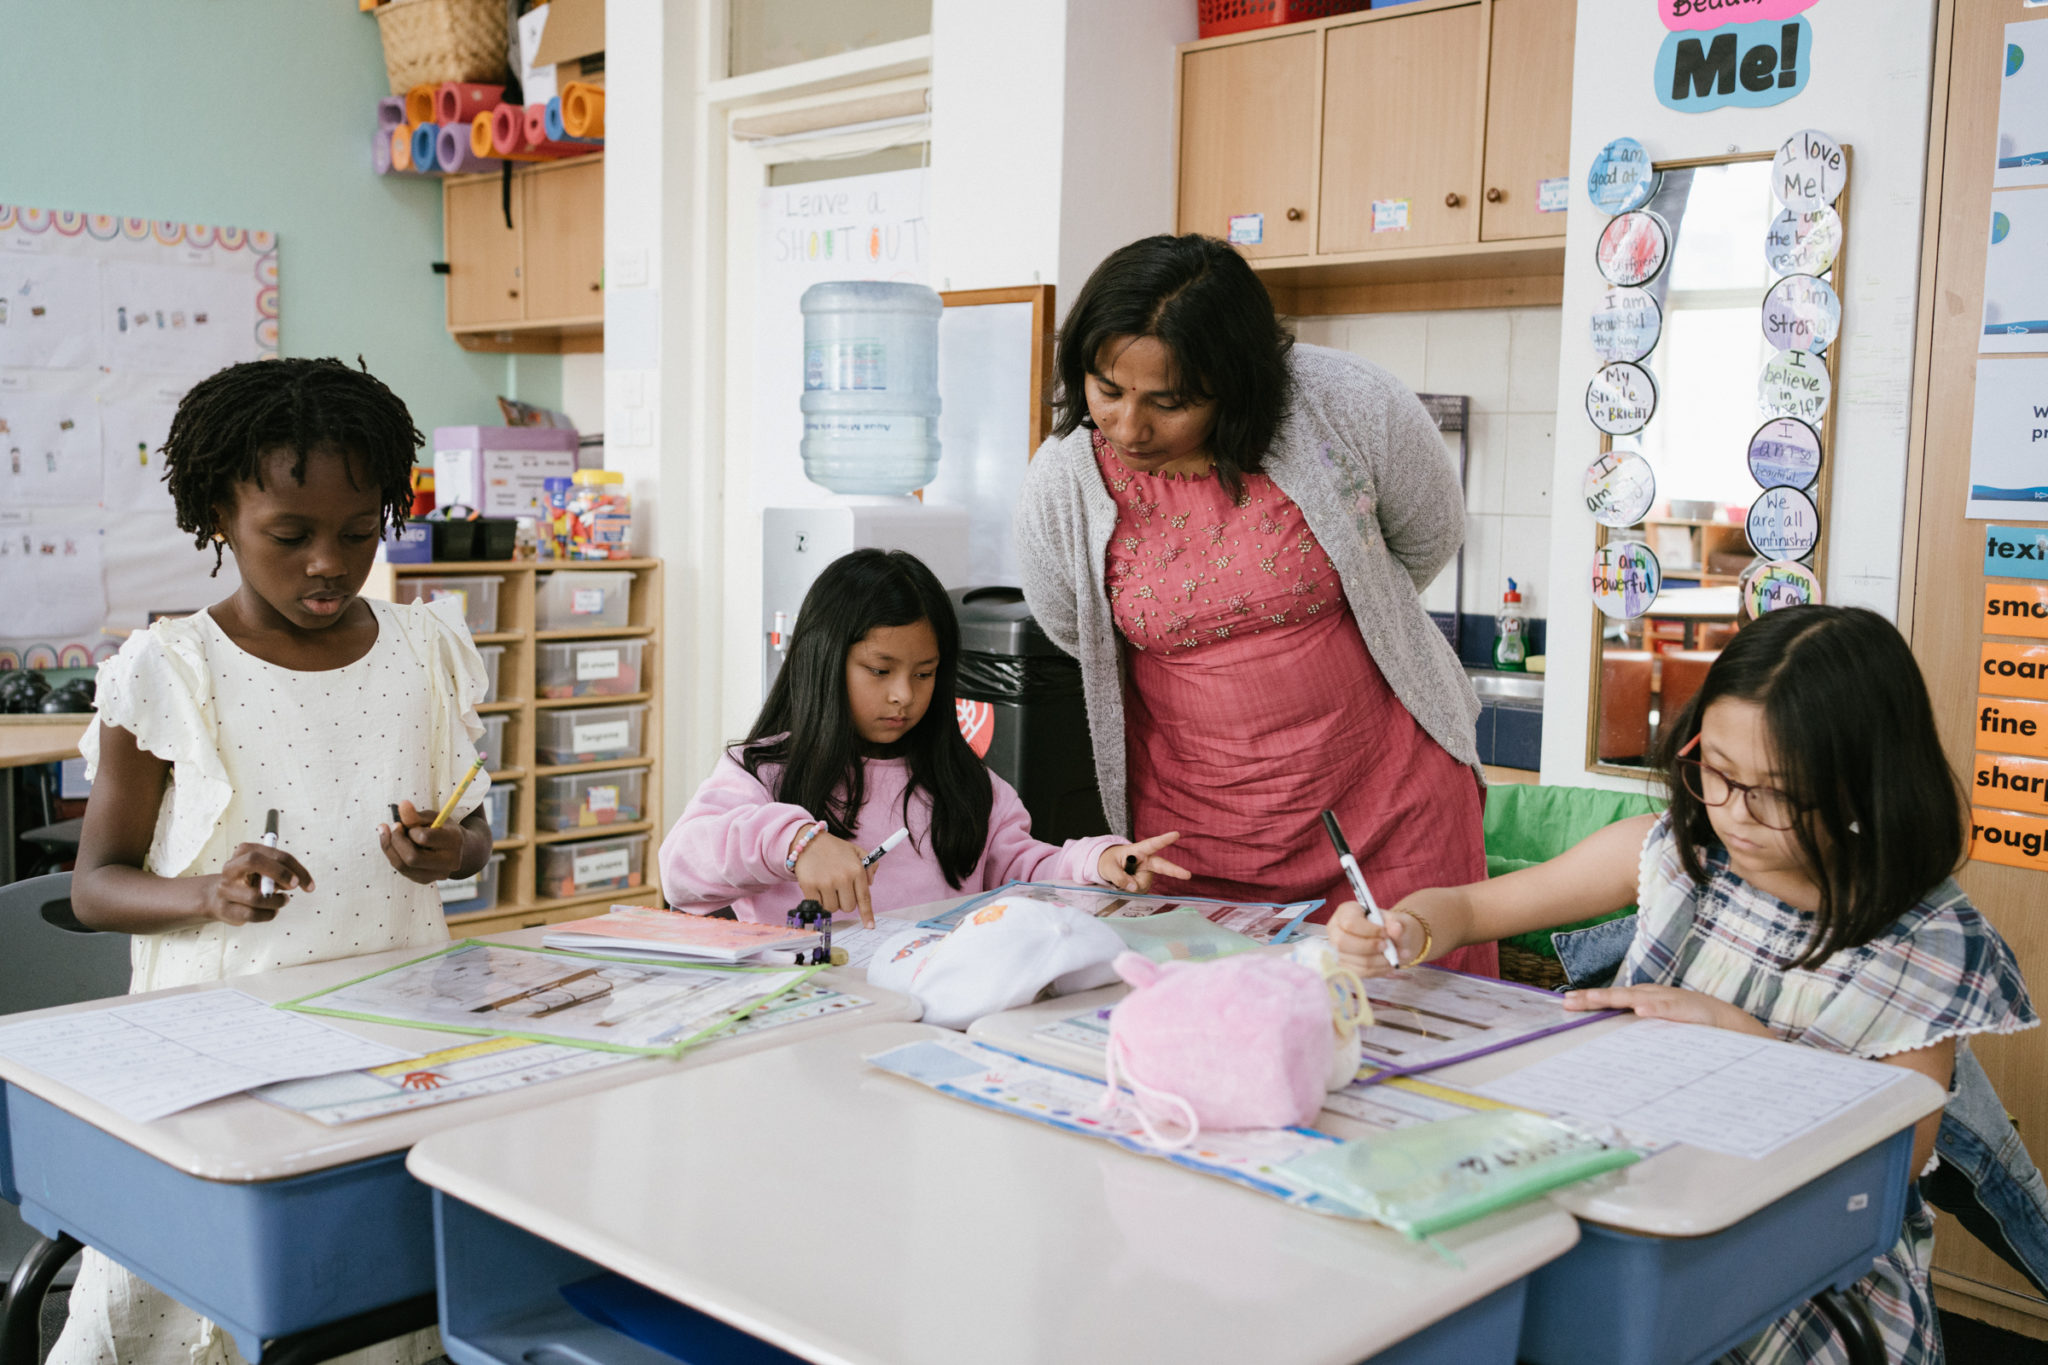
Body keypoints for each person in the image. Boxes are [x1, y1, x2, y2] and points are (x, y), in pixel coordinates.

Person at [1329, 605, 2036, 1364]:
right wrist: (1407, 928)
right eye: (1717, 772)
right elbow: (1473, 908)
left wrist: (1734, 1034)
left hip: (1803, 1274)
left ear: (1866, 783)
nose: (1734, 813)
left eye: (1775, 792)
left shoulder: (1928, 943)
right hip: (1639, 1203)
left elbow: (1884, 1166)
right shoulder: (1678, 852)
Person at [57, 358, 493, 1365]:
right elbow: (95, 886)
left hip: (389, 1036)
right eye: (290, 537)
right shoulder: (171, 670)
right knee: (198, 1286)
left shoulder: (424, 648)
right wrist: (207, 891)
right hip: (217, 1051)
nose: (328, 566)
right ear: (220, 514)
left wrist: (448, 851)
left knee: (361, 1292)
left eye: (358, 533)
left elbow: (475, 832)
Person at [1014, 234, 1493, 973]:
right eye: (1107, 389)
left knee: (1414, 1021)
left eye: (1169, 402)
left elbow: (1429, 534)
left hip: (1394, 804)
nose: (1130, 427)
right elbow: (1071, 624)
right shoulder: (1064, 477)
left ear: (1234, 382)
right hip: (1197, 833)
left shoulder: (1346, 402)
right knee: (1226, 1026)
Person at [660, 549, 1188, 924]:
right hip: (806, 1014)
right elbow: (680, 871)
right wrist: (795, 844)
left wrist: (1096, 864)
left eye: (924, 673)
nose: (903, 696)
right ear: (824, 661)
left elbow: (1022, 872)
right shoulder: (764, 771)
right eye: (879, 670)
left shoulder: (965, 783)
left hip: (927, 1008)